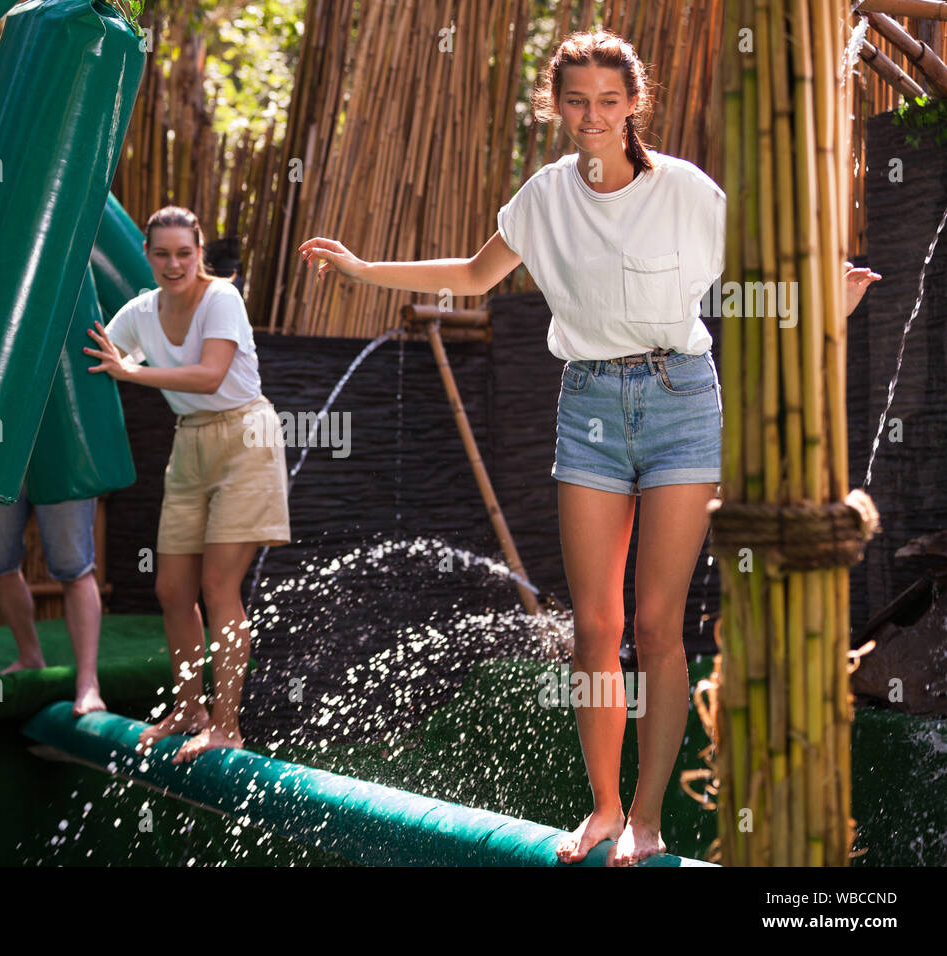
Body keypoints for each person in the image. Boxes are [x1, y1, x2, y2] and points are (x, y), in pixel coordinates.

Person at [298, 30, 881, 865]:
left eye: (609, 100)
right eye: (577, 100)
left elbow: (745, 278)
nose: (592, 115)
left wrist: (827, 307)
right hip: (590, 408)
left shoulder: (683, 189)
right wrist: (364, 268)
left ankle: (647, 818)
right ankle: (602, 809)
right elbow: (471, 274)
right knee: (595, 628)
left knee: (656, 626)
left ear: (634, 102)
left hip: (682, 398)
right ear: (556, 104)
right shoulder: (542, 197)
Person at [83, 205, 289, 764]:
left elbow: (209, 374)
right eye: (161, 253)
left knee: (219, 586)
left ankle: (226, 725)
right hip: (190, 440)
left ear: (199, 252)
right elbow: (96, 352)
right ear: (146, 256)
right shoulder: (140, 311)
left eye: (184, 252)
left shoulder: (223, 297)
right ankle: (189, 709)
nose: (174, 264)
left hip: (245, 436)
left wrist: (133, 372)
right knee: (172, 589)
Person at [0, 486, 105, 715]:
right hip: (4, 456)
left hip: (65, 457)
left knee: (74, 567)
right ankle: (30, 656)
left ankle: (88, 685)